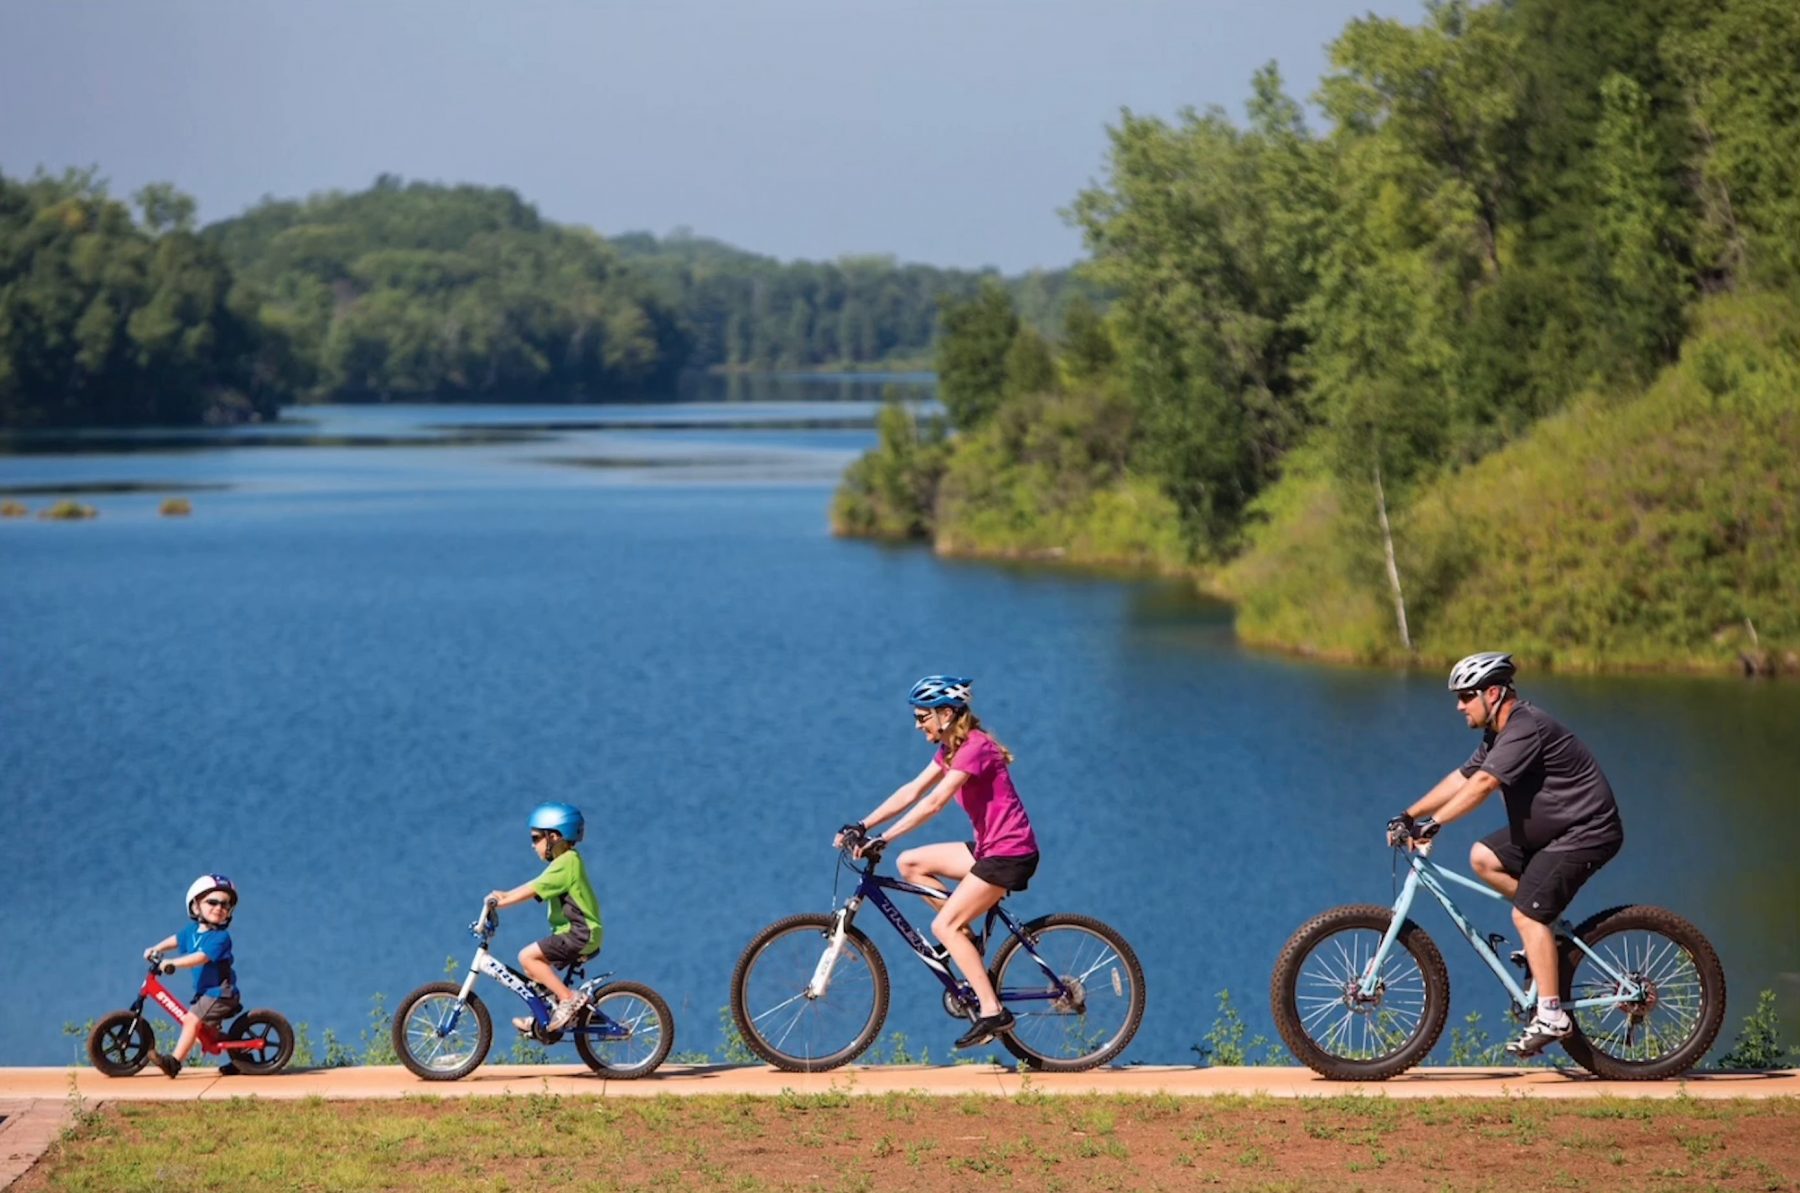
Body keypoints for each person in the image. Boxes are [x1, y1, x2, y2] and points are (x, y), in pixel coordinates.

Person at [1388, 651, 1625, 1057]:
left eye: (1466, 696)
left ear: (1493, 693)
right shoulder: (1499, 733)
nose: (1458, 705)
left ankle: (1552, 1015)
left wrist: (1435, 824)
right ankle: (1545, 935)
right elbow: (1462, 778)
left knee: (1526, 913)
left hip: (1585, 832)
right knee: (1483, 857)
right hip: (1553, 832)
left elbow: (1482, 786)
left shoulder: (1524, 728)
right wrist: (1410, 814)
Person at [837, 675, 1040, 1050]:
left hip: (1008, 854)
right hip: (988, 848)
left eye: (922, 717)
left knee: (942, 926)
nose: (918, 725)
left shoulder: (974, 748)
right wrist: (863, 824)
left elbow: (934, 803)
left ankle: (993, 1011)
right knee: (910, 863)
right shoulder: (950, 749)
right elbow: (912, 791)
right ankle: (966, 939)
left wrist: (883, 838)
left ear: (946, 714)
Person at [486, 802, 603, 1034]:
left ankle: (568, 999)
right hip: (577, 933)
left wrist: (503, 902)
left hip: (579, 933)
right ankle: (546, 1015)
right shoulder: (566, 861)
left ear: (555, 837)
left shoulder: (567, 863)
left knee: (527, 957)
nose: (533, 845)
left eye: (536, 838)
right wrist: (506, 894)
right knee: (533, 970)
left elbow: (534, 890)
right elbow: (535, 884)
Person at [142, 874, 244, 1078]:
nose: (219, 908)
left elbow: (200, 958)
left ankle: (173, 1063)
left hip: (220, 994)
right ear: (196, 906)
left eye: (225, 905)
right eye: (212, 902)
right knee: (204, 1035)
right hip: (206, 993)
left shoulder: (221, 938)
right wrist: (157, 948)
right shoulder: (192, 931)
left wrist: (172, 963)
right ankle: (243, 1058)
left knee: (190, 1021)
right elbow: (176, 940)